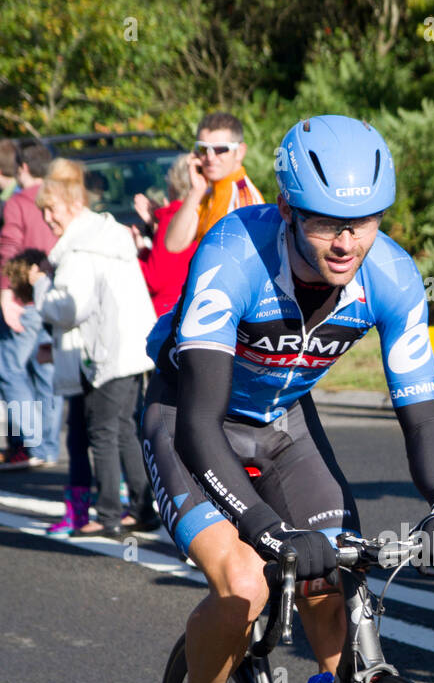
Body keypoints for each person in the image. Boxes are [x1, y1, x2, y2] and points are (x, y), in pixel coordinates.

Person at [142, 116, 434, 683]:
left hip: (284, 425)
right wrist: (263, 528)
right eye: (326, 223)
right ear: (291, 212)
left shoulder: (389, 276)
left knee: (345, 609)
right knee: (245, 584)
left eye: (360, 224)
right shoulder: (231, 254)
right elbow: (198, 425)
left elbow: (421, 415)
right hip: (192, 418)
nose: (344, 242)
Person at [31, 158, 157, 537]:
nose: (47, 218)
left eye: (50, 210)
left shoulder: (81, 248)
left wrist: (40, 288)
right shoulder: (109, 233)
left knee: (102, 432)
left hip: (107, 352)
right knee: (124, 429)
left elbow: (71, 307)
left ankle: (107, 516)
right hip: (134, 346)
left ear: (71, 205)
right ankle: (141, 507)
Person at [0, 141, 59, 469]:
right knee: (46, 372)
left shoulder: (18, 203)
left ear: (22, 167)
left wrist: (6, 294)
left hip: (24, 296)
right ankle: (47, 445)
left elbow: (8, 249)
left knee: (9, 369)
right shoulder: (56, 200)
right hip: (53, 294)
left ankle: (37, 442)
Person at [163, 111, 263, 254]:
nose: (210, 158)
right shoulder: (206, 193)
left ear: (240, 151)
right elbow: (173, 244)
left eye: (220, 149)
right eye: (203, 149)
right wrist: (195, 192)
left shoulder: (245, 200)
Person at [131, 154, 196, 316]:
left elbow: (154, 280)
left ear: (173, 183)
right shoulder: (202, 214)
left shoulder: (173, 218)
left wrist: (130, 256)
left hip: (167, 314)